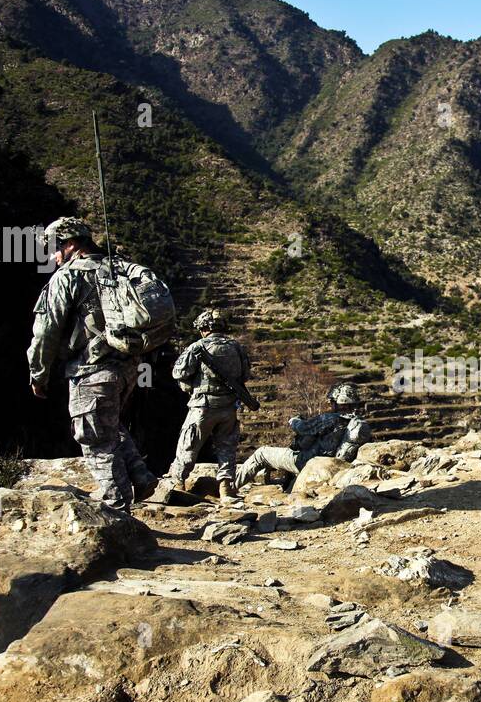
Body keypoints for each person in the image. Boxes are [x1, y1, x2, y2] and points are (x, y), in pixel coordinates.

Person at [27, 216, 158, 511]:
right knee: (107, 423)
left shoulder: (67, 277)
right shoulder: (118, 269)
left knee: (95, 439)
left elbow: (46, 331)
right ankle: (140, 474)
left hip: (92, 369)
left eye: (55, 248)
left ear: (71, 244)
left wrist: (39, 374)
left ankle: (116, 508)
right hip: (128, 368)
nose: (53, 256)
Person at [164, 308, 255, 501]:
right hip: (229, 407)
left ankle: (178, 483)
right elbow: (245, 375)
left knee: (188, 445)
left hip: (203, 406)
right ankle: (226, 488)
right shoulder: (236, 347)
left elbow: (178, 372)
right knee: (227, 447)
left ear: (204, 328)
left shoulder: (198, 347)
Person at [235, 383, 372, 490]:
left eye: (332, 401)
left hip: (307, 462)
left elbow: (302, 428)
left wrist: (293, 420)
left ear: (337, 401)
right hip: (335, 467)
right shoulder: (360, 424)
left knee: (261, 453)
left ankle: (230, 487)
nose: (330, 404)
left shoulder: (328, 419)